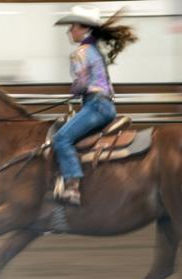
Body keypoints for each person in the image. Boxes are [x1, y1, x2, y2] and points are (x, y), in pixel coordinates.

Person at [52, 6, 137, 205]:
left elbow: (81, 83)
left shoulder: (80, 52)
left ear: (84, 29)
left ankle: (72, 187)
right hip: (105, 105)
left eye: (72, 26)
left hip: (95, 106)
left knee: (62, 138)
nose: (69, 31)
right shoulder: (95, 51)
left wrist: (73, 90)